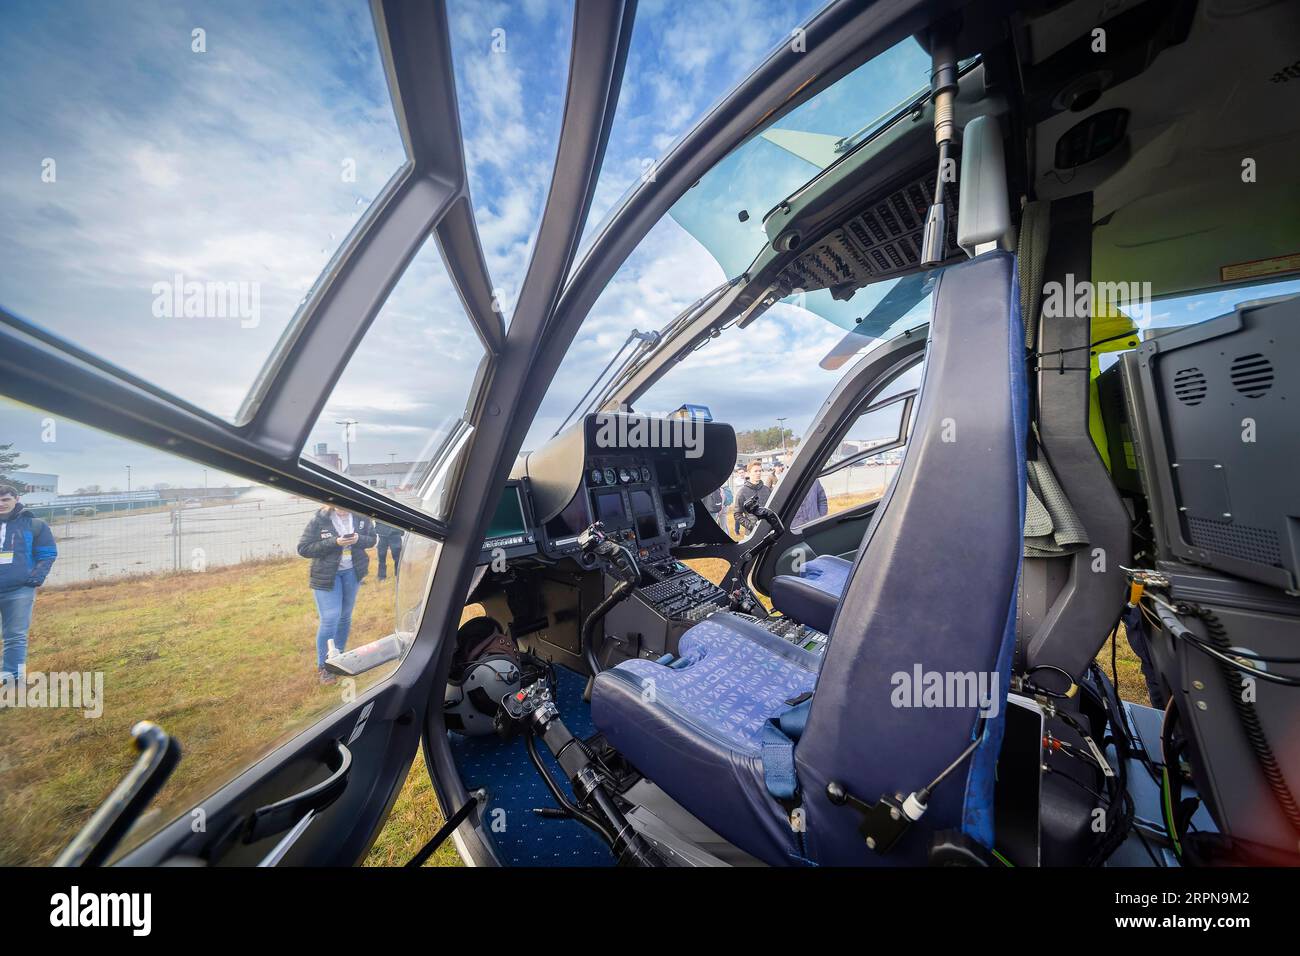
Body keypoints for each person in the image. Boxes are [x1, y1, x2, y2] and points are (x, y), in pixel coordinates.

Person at [297, 505, 376, 684]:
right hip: (326, 575)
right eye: (338, 505)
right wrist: (335, 542)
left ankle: (339, 656)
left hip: (351, 573)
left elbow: (372, 540)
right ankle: (324, 665)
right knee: (330, 618)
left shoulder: (361, 517)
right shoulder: (320, 519)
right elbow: (303, 548)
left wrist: (358, 539)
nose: (343, 509)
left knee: (345, 616)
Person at [0, 484, 57, 684]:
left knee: (15, 637)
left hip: (19, 591)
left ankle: (11, 682)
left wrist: (34, 578)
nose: (1, 504)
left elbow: (47, 553)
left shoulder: (34, 524)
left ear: (16, 499)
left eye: (5, 499)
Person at [735, 459, 771, 535]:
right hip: (752, 534)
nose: (758, 473)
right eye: (755, 471)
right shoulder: (742, 492)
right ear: (748, 473)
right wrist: (752, 526)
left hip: (769, 530)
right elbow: (737, 514)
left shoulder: (767, 490)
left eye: (760, 471)